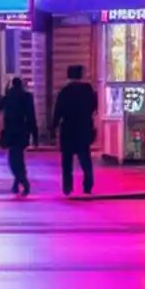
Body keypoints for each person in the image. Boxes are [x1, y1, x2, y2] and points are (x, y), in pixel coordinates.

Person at [51, 65, 98, 196]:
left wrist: (53, 127)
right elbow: (94, 106)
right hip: (83, 128)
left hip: (68, 129)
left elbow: (58, 111)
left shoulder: (65, 91)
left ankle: (67, 186)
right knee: (85, 158)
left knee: (67, 161)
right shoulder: (87, 90)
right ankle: (88, 185)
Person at [0, 77, 38, 196]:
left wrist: (4, 91)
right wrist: (35, 136)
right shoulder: (27, 96)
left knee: (14, 160)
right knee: (18, 158)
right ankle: (17, 183)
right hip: (23, 132)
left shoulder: (9, 96)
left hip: (10, 132)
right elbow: (31, 116)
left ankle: (23, 182)